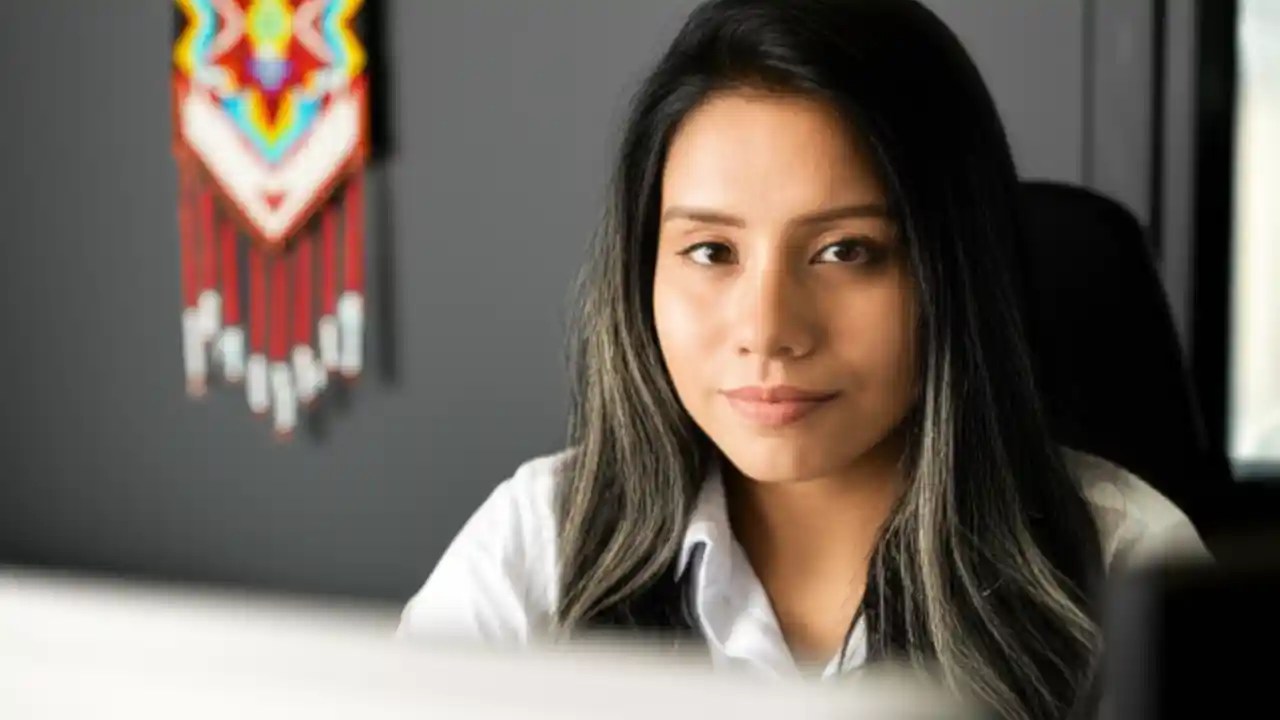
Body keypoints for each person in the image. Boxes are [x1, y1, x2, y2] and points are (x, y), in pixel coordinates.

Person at [398, 1, 1209, 718]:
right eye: (711, 250)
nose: (768, 329)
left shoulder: (1129, 568)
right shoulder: (538, 545)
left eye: (846, 251)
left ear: (953, 272)